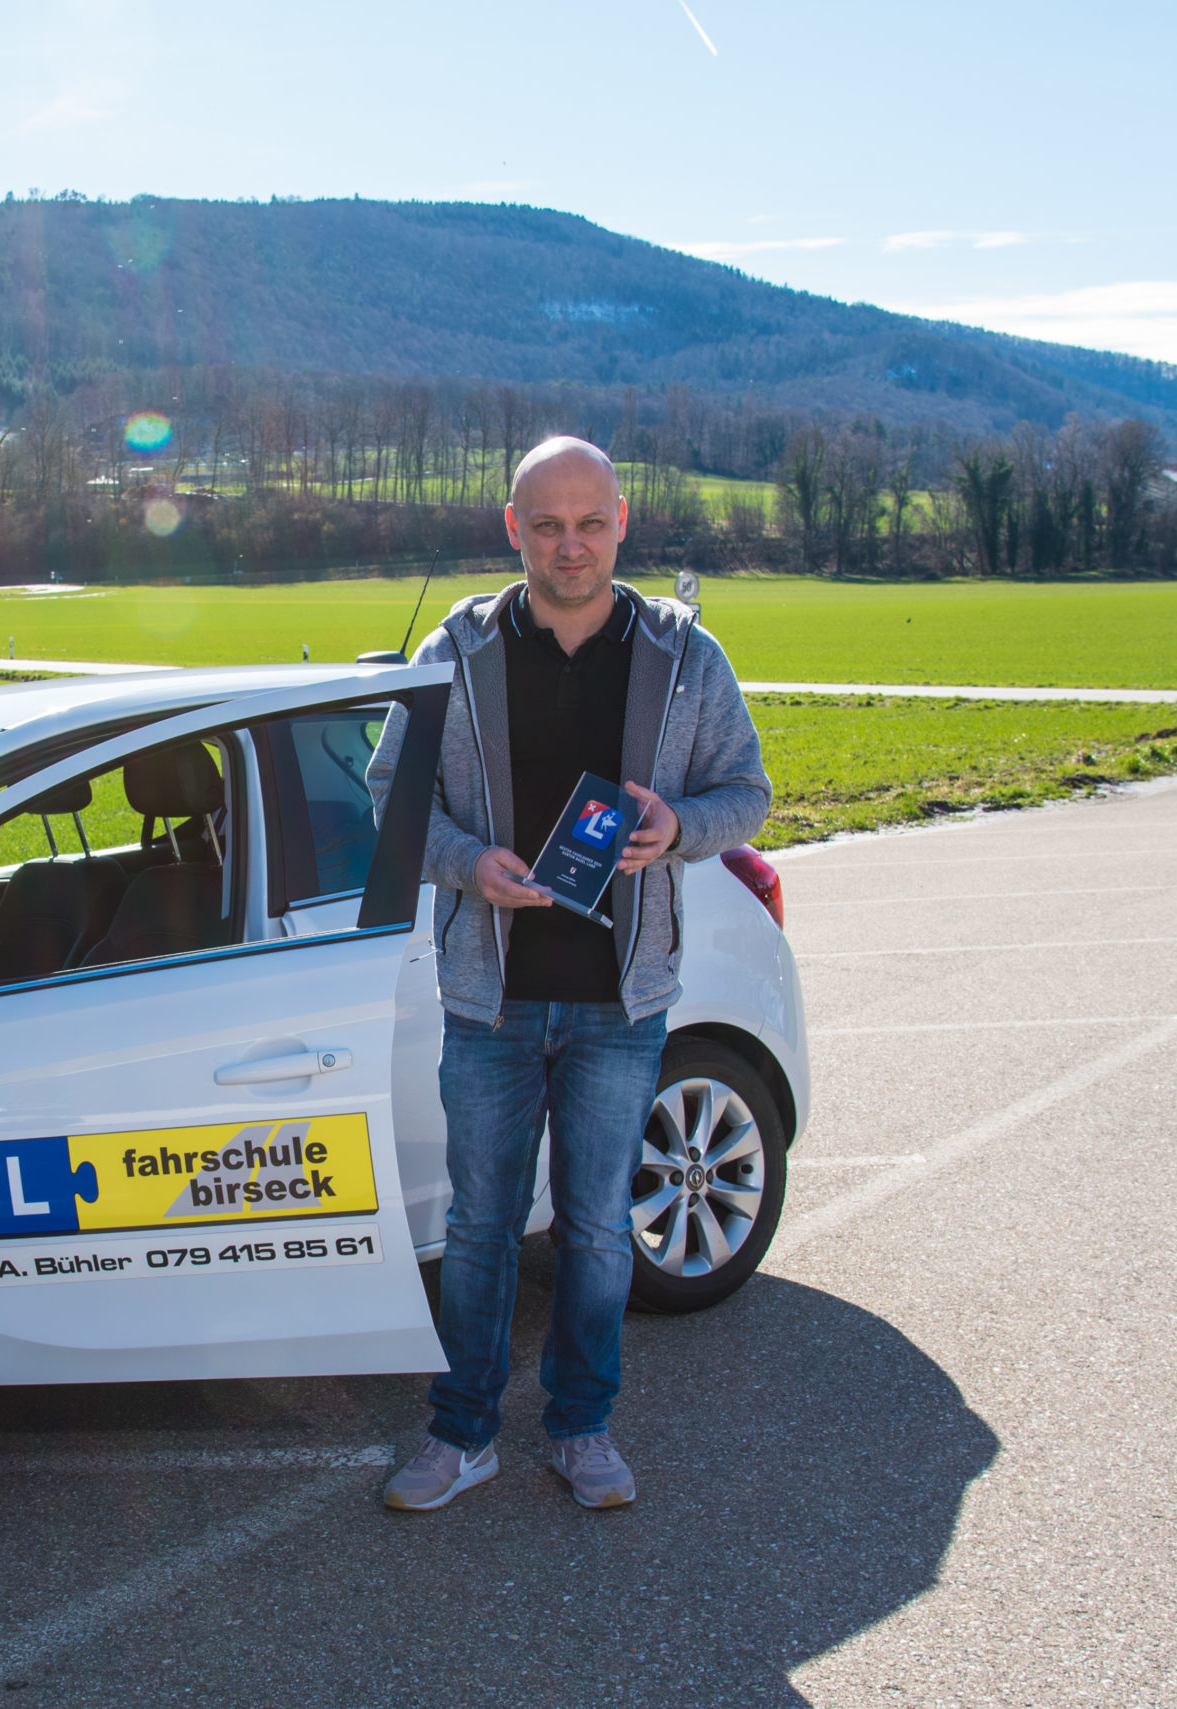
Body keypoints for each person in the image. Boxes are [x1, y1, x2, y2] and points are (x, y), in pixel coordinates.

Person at [365, 437, 771, 1511]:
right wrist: (467, 864)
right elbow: (389, 796)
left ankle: (583, 1426)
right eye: (546, 524)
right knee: (479, 1225)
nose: (570, 544)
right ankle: (461, 1434)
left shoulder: (684, 657)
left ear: (621, 522)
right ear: (513, 528)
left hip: (620, 1001)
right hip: (487, 996)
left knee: (595, 1226)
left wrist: (681, 825)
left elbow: (748, 796)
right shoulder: (459, 648)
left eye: (589, 522)